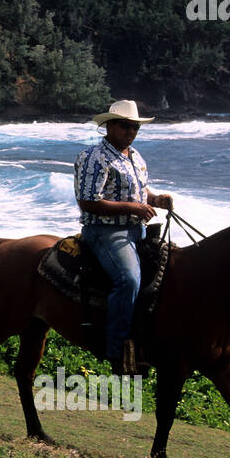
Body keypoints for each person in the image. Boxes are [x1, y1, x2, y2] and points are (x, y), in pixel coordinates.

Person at [73, 99, 174, 373]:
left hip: (136, 230)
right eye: (126, 126)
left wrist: (157, 199)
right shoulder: (95, 157)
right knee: (128, 279)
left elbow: (139, 193)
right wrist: (134, 208)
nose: (131, 132)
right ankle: (116, 349)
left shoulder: (136, 157)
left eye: (135, 127)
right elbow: (88, 201)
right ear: (109, 126)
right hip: (105, 231)